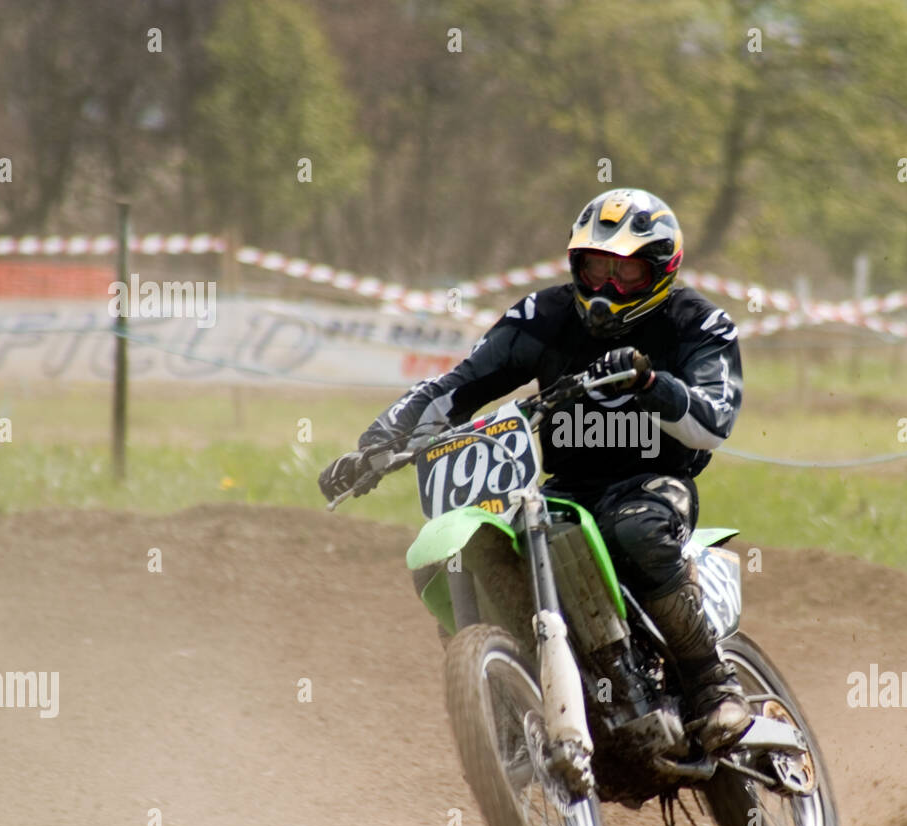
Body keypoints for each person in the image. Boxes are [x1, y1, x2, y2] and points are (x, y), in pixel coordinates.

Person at [318, 188, 751, 752]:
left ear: (660, 269)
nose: (605, 288)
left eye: (625, 273)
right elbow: (457, 386)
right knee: (475, 550)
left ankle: (712, 684)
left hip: (653, 485)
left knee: (635, 531)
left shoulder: (697, 324)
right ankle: (509, 702)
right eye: (595, 268)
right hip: (565, 489)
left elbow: (715, 420)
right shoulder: (543, 317)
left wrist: (653, 384)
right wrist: (377, 445)